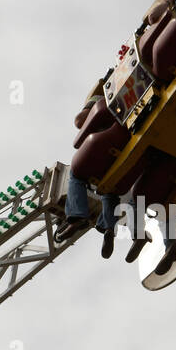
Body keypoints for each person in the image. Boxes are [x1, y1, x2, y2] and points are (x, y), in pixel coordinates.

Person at [55, 77, 120, 259]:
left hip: (102, 144)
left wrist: (89, 106)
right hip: (126, 148)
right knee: (110, 188)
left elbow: (79, 121)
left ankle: (76, 217)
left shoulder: (103, 95)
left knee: (76, 175)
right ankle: (108, 227)